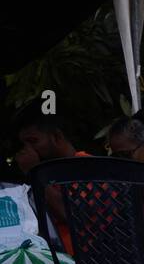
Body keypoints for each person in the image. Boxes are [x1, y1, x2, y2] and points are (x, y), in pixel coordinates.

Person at [13, 108, 90, 255]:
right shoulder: (50, 176)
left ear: (56, 137)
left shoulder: (87, 167)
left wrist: (34, 171)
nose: (29, 149)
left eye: (33, 141)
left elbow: (69, 214)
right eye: (25, 144)